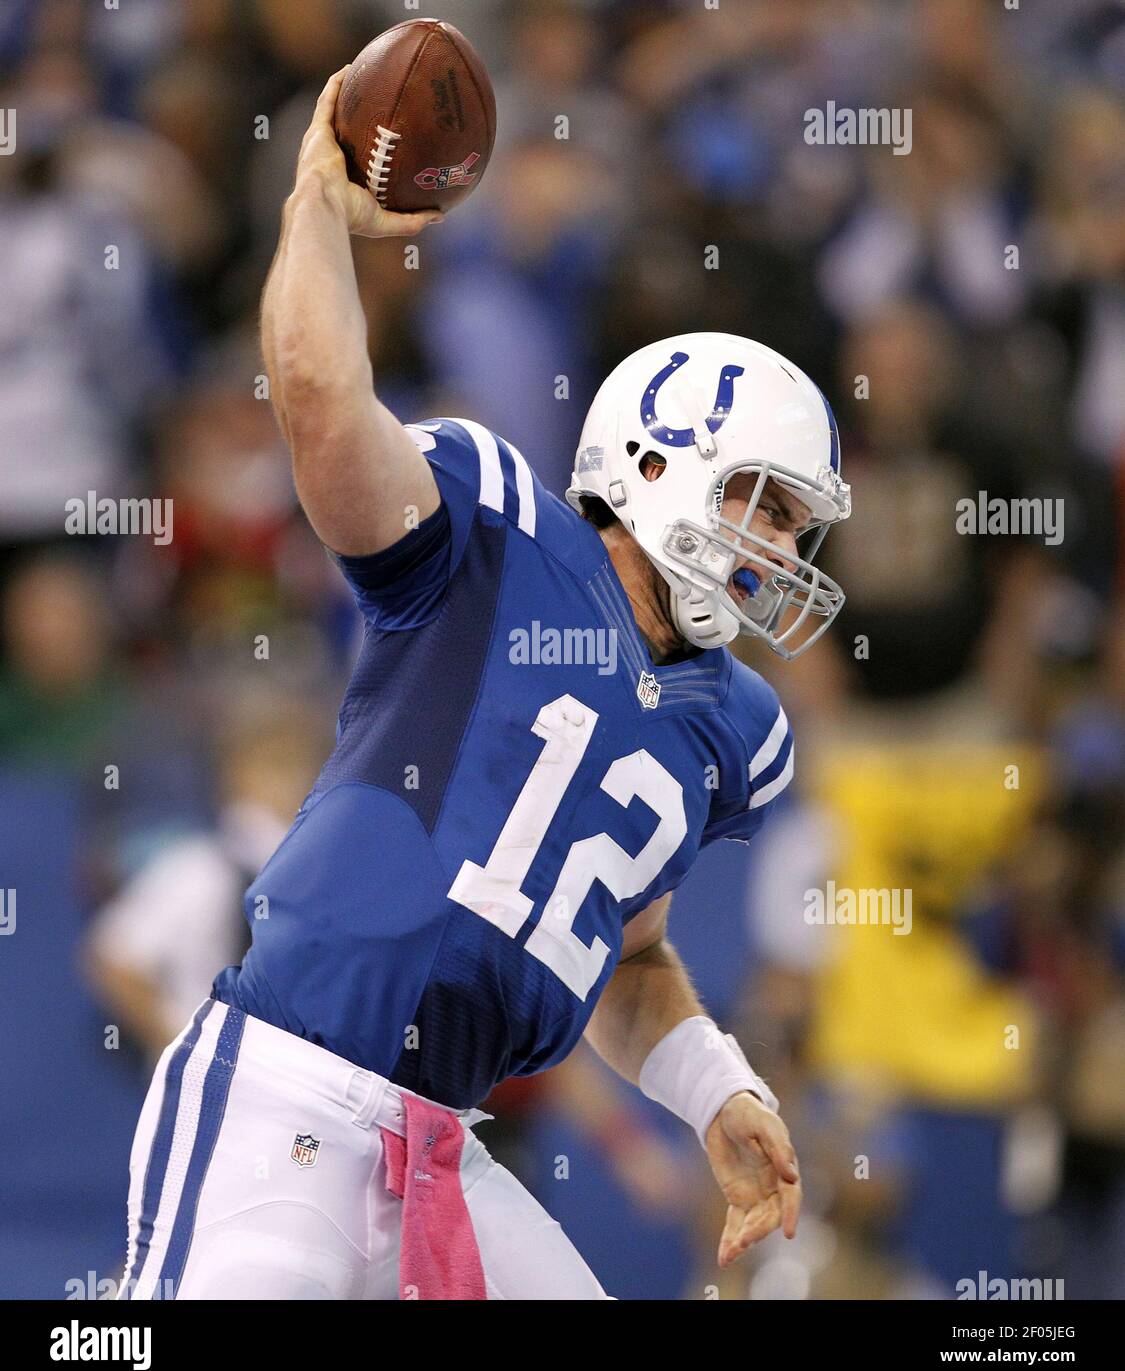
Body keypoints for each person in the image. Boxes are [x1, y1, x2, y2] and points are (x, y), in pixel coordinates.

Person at [118, 68, 851, 1301]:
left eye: (793, 525)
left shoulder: (732, 726)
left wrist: (714, 1084)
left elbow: (628, 957)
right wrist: (314, 204)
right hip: (287, 1089)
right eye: (757, 501)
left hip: (446, 1147)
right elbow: (316, 400)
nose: (777, 548)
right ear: (659, 456)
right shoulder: (496, 530)